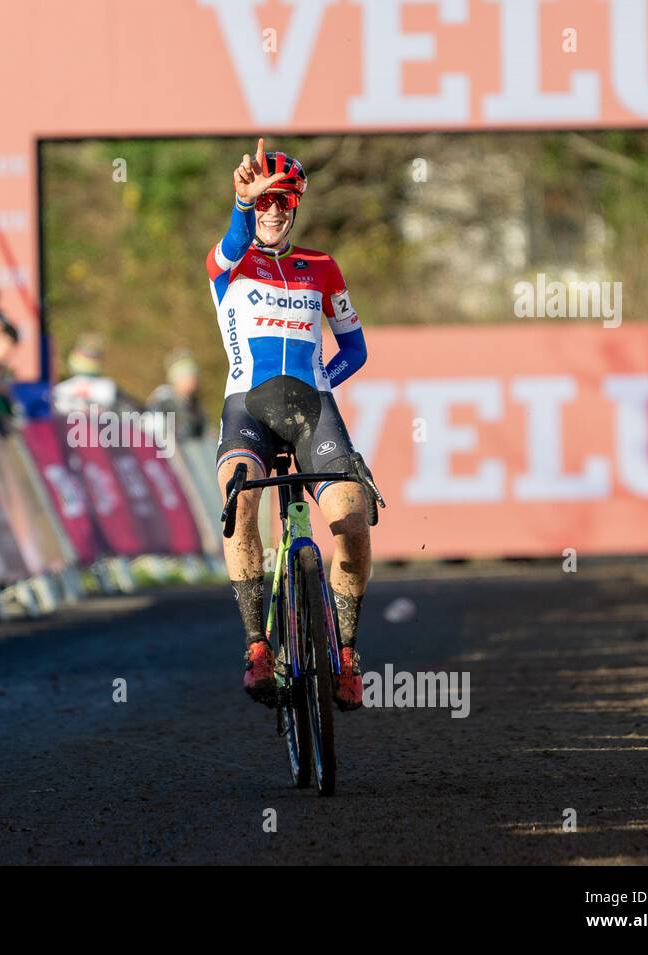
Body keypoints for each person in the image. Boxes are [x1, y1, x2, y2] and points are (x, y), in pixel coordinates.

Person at [209, 139, 371, 711]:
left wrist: (320, 381)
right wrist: (239, 200)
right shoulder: (230, 264)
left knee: (351, 525)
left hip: (312, 409)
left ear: (296, 206)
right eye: (263, 202)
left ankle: (346, 654)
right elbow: (229, 243)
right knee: (240, 501)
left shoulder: (322, 267)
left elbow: (355, 347)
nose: (272, 210)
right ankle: (257, 646)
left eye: (283, 202)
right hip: (246, 408)